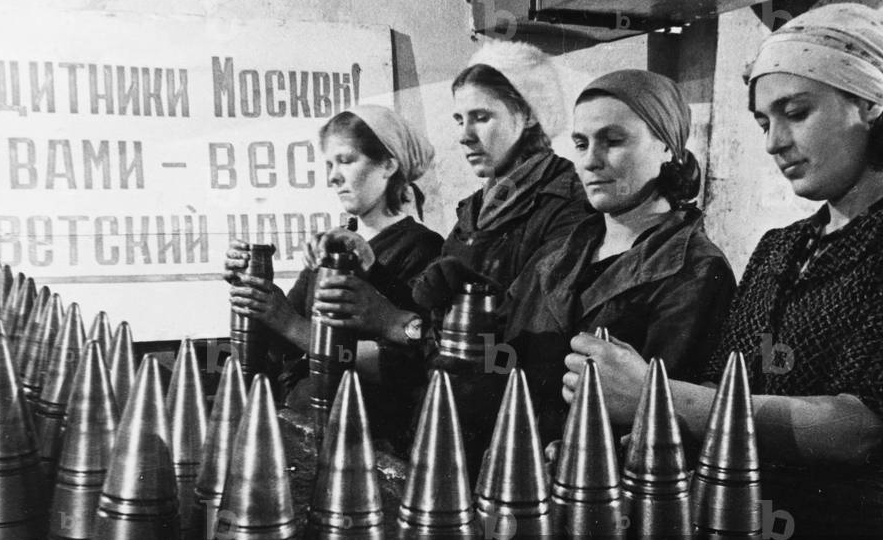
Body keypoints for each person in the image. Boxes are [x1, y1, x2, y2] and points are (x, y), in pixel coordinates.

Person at [563, 4, 883, 540]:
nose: (773, 140)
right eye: (763, 120)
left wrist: (651, 395)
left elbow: (862, 429)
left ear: (871, 105)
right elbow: (718, 407)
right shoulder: (779, 250)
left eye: (794, 112)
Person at [311, 41, 592, 467]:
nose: (464, 135)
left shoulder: (566, 211)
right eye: (460, 119)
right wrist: (377, 271)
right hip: (448, 425)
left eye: (482, 117)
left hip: (506, 444)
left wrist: (391, 322)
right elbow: (433, 311)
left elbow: (518, 350)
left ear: (530, 114)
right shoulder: (475, 211)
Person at [502, 70, 735, 444]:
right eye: (580, 144)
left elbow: (668, 416)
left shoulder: (696, 270)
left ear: (667, 148)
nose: (591, 161)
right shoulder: (555, 256)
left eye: (612, 141)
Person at [225, 104, 442, 447]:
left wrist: (291, 326)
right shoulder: (333, 246)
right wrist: (253, 292)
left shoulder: (423, 248)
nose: (333, 177)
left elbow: (402, 363)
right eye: (329, 164)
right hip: (304, 422)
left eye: (345, 160)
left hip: (363, 439)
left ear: (388, 165)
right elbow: (282, 340)